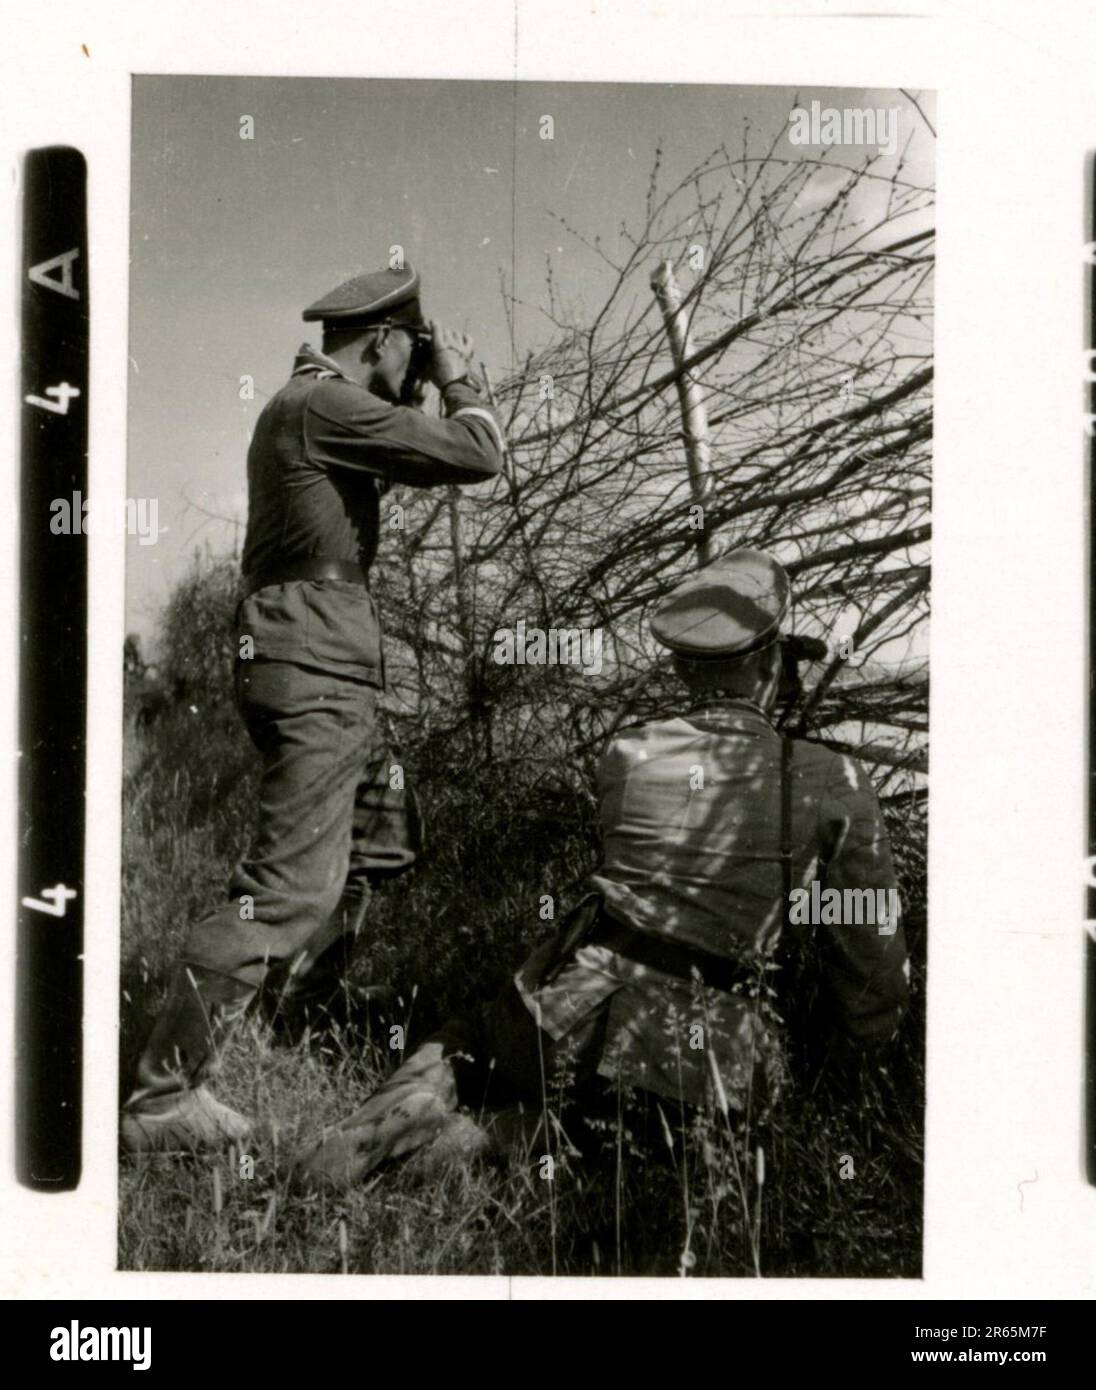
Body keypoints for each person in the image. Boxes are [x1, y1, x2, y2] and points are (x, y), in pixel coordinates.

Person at [294, 548, 911, 1189]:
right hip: (705, 1065)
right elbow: (872, 973)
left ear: (678, 665)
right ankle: (497, 1137)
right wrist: (854, 1085)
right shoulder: (838, 780)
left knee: (470, 1036)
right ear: (770, 663)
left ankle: (386, 1118)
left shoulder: (628, 753)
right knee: (624, 1136)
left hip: (570, 1012)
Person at [122, 261, 505, 1152]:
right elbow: (478, 453)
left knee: (378, 839)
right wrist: (459, 376)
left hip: (323, 660)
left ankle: (303, 1006)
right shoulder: (321, 405)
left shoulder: (314, 409)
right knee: (285, 892)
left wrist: (425, 372)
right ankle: (162, 1098)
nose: (415, 370)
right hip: (318, 669)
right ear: (382, 339)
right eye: (410, 350)